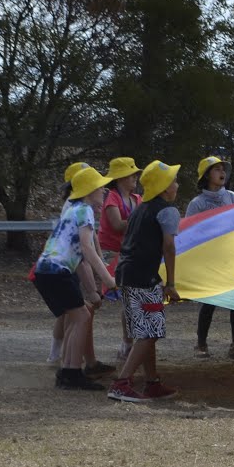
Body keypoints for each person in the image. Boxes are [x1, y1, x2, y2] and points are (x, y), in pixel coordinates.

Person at [34, 165, 121, 390]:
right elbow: (87, 249)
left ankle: (68, 371)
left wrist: (94, 289)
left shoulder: (73, 209)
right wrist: (108, 280)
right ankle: (71, 373)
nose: (104, 192)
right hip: (56, 271)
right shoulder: (84, 211)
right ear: (90, 191)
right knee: (81, 317)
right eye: (101, 188)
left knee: (77, 316)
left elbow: (81, 256)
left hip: (47, 271)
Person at [107, 160, 182, 403]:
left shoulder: (140, 208)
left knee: (146, 330)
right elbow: (169, 247)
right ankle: (122, 382)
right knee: (150, 331)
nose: (176, 185)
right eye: (172, 181)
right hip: (144, 276)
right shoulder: (167, 211)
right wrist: (170, 282)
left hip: (126, 273)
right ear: (163, 187)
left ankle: (152, 383)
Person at [185, 155, 234, 360]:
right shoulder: (197, 204)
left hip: (232, 257)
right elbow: (190, 233)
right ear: (206, 176)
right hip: (210, 261)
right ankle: (201, 343)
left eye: (223, 169)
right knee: (209, 301)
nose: (222, 173)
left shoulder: (232, 197)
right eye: (216, 169)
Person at [96, 156, 142, 370]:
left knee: (129, 299)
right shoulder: (112, 198)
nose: (135, 177)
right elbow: (116, 225)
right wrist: (143, 218)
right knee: (94, 301)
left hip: (129, 254)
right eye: (132, 173)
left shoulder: (137, 198)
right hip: (110, 253)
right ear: (121, 177)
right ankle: (127, 344)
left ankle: (127, 344)